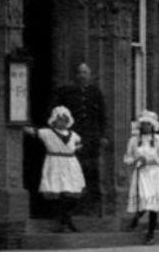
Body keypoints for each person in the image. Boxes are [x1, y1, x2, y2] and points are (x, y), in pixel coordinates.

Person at [53, 63, 108, 215]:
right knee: (73, 170)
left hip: (92, 138)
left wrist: (102, 135)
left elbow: (102, 116)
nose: (82, 75)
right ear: (75, 76)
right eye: (79, 72)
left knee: (92, 171)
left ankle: (92, 206)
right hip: (73, 137)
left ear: (90, 75)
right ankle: (71, 206)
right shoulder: (67, 92)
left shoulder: (95, 92)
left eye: (85, 72)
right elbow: (58, 113)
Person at [24, 106, 85, 232]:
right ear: (53, 120)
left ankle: (66, 218)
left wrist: (76, 148)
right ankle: (63, 221)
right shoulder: (47, 133)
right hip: (55, 163)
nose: (61, 122)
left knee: (72, 192)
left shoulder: (73, 135)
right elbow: (32, 131)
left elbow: (79, 144)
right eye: (59, 120)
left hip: (70, 164)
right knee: (57, 190)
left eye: (64, 120)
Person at [124, 110, 159, 245]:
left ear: (153, 126)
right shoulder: (134, 140)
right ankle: (136, 218)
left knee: (153, 204)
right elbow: (127, 157)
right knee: (144, 199)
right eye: (143, 124)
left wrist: (150, 161)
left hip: (154, 174)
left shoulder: (158, 139)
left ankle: (150, 233)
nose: (145, 127)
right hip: (141, 174)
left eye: (148, 124)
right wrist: (134, 161)